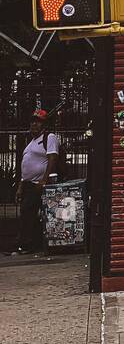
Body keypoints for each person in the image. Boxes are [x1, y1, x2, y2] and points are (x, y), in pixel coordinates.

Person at [16, 109, 60, 255]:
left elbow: (52, 158)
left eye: (38, 122)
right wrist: (21, 186)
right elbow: (26, 166)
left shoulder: (50, 137)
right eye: (33, 121)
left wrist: (44, 180)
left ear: (44, 125)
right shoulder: (32, 142)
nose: (34, 124)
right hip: (28, 184)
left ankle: (27, 245)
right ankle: (28, 244)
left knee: (28, 212)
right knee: (28, 213)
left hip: (38, 183)